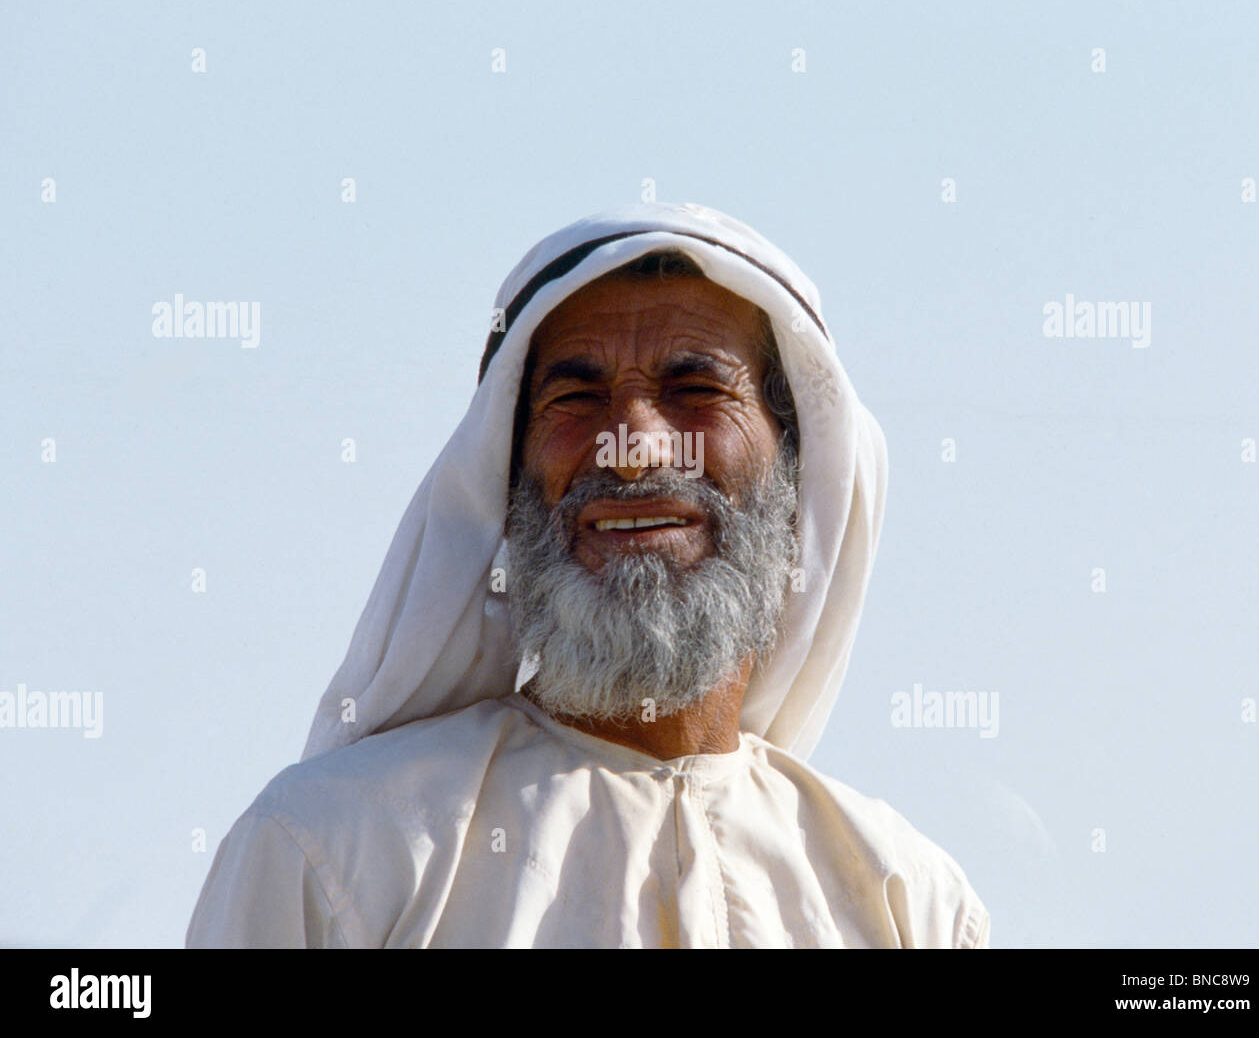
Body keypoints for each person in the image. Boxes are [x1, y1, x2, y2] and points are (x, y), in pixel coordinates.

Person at [185, 202, 990, 948]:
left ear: (797, 474)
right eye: (577, 397)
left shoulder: (908, 901)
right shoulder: (335, 851)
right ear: (508, 477)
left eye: (696, 390)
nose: (633, 447)